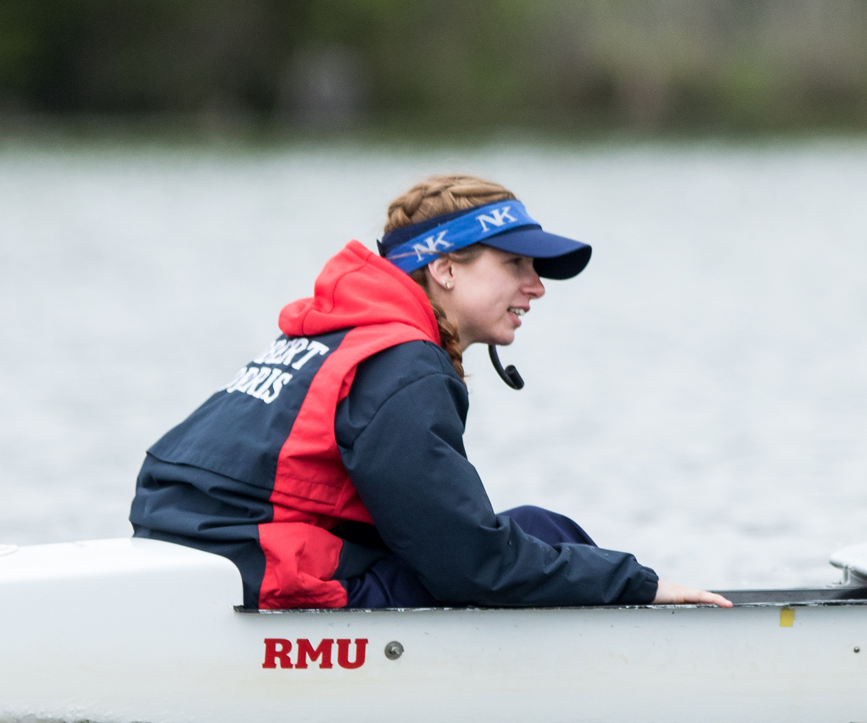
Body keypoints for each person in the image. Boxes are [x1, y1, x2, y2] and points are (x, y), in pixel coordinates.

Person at [131, 174, 731, 610]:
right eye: (516, 265)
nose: (536, 287)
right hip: (267, 587)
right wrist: (638, 584)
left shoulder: (335, 335)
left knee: (534, 544)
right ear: (444, 269)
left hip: (204, 568)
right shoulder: (402, 367)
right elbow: (472, 564)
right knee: (545, 534)